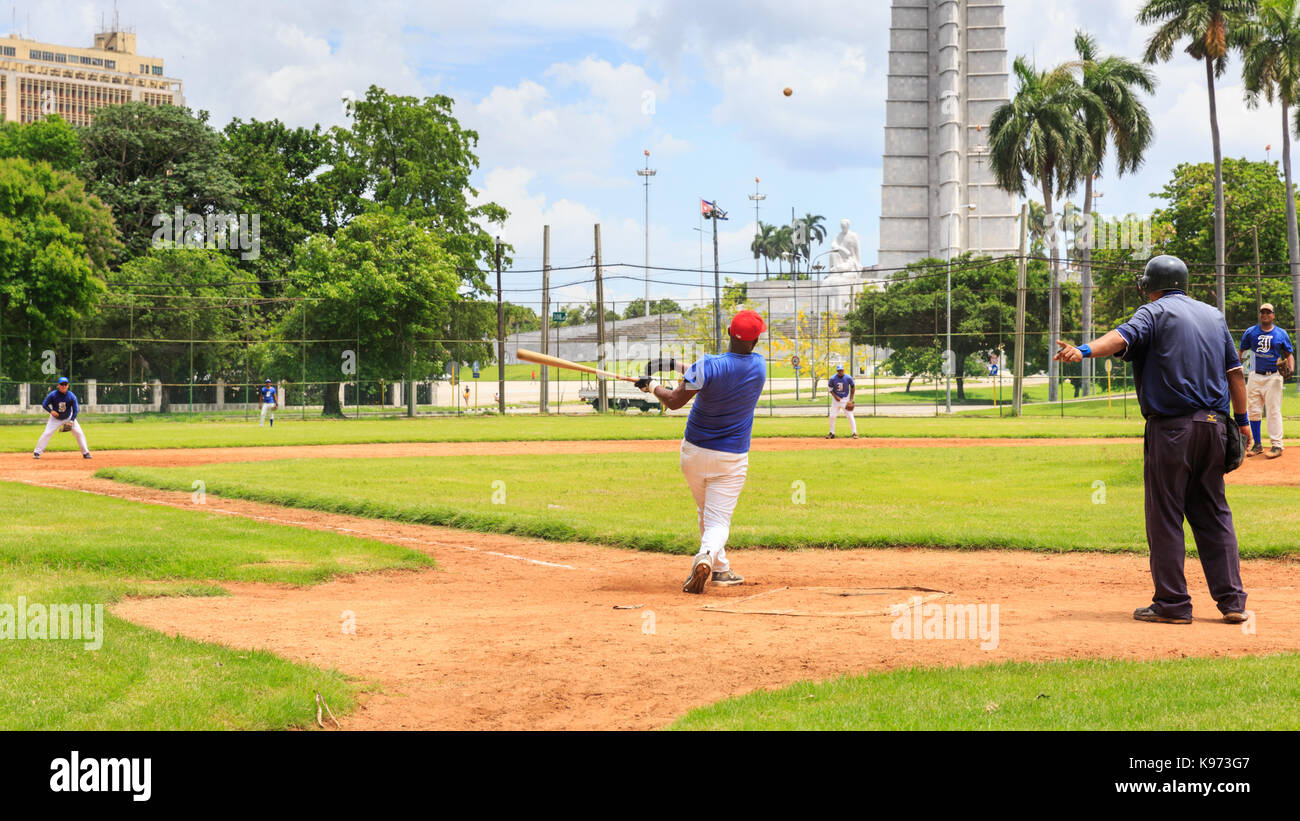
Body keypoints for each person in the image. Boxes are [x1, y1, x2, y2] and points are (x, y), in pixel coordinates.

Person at [1054, 255, 1250, 625]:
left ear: (1149, 286)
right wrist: (1242, 426)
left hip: (1173, 430)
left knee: (1165, 516)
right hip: (1214, 426)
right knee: (1215, 514)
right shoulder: (1213, 315)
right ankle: (1233, 602)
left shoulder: (1154, 312)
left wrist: (1081, 350)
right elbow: (1236, 375)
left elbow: (1118, 338)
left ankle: (1173, 605)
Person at [636, 310, 767, 594]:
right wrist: (673, 365)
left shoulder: (707, 365)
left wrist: (652, 386)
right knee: (718, 519)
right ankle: (706, 556)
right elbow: (709, 373)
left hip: (693, 453)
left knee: (706, 511)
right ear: (755, 340)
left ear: (729, 333)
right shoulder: (759, 366)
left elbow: (673, 401)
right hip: (731, 458)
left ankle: (720, 569)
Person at [1238, 303, 1294, 459]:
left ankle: (1277, 445)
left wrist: (1291, 369)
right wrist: (1238, 368)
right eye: (1262, 312)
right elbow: (1242, 351)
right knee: (1254, 411)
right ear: (1260, 315)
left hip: (1274, 376)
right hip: (1255, 374)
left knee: (1273, 410)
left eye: (1268, 312)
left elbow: (1289, 355)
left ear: (1273, 315)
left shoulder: (1281, 333)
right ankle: (1257, 445)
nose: (1265, 314)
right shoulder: (1251, 332)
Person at [33, 377, 91, 459]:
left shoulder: (71, 396)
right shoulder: (53, 395)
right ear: (58, 385)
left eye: (65, 384)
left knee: (79, 433)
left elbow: (76, 410)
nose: (63, 386)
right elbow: (44, 404)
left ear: (68, 386)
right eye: (61, 384)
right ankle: (37, 452)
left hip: (68, 417)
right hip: (55, 419)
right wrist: (51, 411)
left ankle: (86, 453)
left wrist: (71, 421)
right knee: (47, 433)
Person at [826, 364, 857, 439]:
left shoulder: (848, 378)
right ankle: (832, 433)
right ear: (837, 371)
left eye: (841, 370)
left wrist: (851, 399)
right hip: (836, 401)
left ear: (843, 370)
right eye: (839, 370)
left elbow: (853, 387)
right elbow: (830, 389)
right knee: (832, 416)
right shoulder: (833, 378)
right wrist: (835, 396)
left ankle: (854, 433)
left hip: (845, 399)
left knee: (850, 416)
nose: (840, 372)